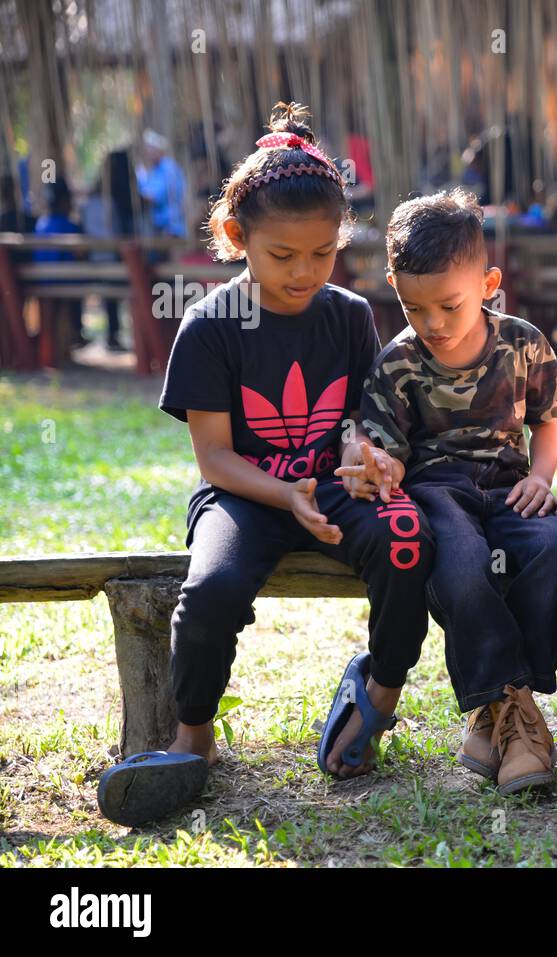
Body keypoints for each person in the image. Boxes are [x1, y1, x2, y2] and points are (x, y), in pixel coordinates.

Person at [95, 102, 436, 828]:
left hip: (332, 491)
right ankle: (193, 737)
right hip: (246, 495)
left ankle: (377, 695)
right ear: (235, 236)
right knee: (211, 587)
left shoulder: (346, 314)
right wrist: (287, 495)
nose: (305, 272)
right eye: (283, 256)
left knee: (409, 541)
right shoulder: (211, 325)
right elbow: (215, 458)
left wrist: (360, 455)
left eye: (322, 253)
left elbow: (360, 418)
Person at [358, 188, 557, 795]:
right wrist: (377, 465)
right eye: (413, 307)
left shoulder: (522, 342)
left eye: (449, 307)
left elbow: (549, 420)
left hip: (511, 488)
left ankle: (500, 707)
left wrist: (541, 477)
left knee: (555, 551)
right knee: (460, 568)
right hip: (438, 495)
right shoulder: (398, 364)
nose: (431, 324)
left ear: (488, 284)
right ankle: (519, 720)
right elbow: (384, 449)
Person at [81, 151, 136, 351]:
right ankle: (131, 335)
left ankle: (114, 333)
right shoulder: (119, 202)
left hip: (95, 261)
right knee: (143, 280)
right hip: (115, 261)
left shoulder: (90, 201)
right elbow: (123, 235)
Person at [33, 179, 86, 349]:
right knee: (80, 282)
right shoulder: (68, 226)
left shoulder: (41, 224)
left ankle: (67, 340)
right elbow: (79, 255)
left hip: (41, 281)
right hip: (63, 282)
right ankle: (76, 332)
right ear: (65, 201)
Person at [136, 129, 188, 238]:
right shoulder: (154, 170)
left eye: (151, 148)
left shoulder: (168, 169)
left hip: (171, 227)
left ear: (159, 150)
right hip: (158, 227)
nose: (148, 152)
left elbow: (154, 196)